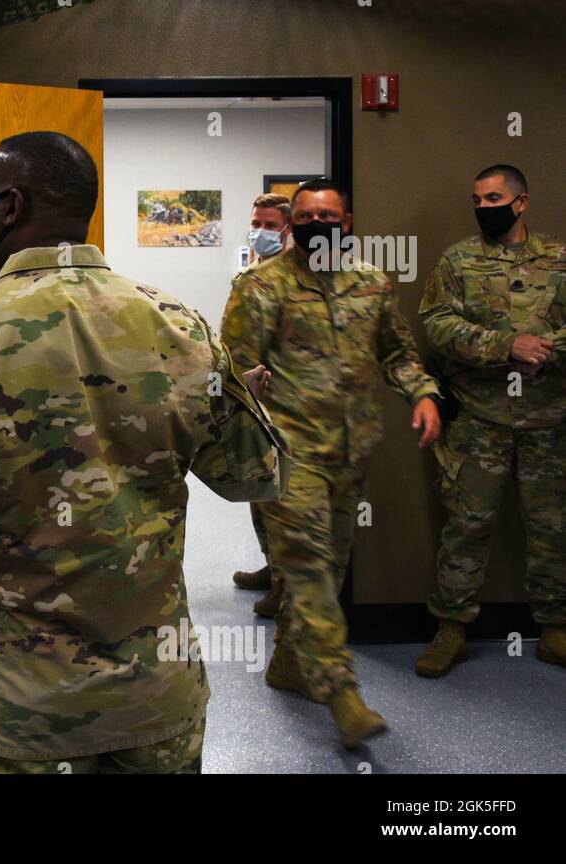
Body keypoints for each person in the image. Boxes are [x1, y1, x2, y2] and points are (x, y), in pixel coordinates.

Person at [0, 131, 287, 774]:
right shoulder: (181, 326)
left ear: (10, 207)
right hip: (154, 698)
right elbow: (255, 474)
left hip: (18, 710)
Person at [222, 178, 443, 748]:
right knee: (309, 569)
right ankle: (341, 692)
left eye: (330, 215)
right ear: (294, 223)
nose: (319, 223)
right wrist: (247, 393)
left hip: (351, 450)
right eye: (307, 216)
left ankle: (291, 664)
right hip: (289, 454)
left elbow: (396, 351)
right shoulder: (260, 286)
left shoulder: (372, 284)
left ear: (347, 222)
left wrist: (422, 394)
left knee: (331, 564)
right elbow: (232, 371)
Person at [416, 164, 566, 677]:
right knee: (467, 526)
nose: (484, 207)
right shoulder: (459, 259)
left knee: (552, 528)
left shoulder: (559, 258)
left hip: (550, 421)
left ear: (521, 203)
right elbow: (436, 323)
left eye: (494, 198)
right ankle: (452, 628)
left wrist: (546, 349)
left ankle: (556, 629)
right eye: (477, 199)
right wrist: (507, 345)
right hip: (480, 420)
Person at [231, 193, 292, 615]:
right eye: (257, 223)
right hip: (256, 400)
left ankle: (287, 587)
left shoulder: (295, 280)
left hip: (288, 402)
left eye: (271, 225)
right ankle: (272, 568)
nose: (262, 232)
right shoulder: (249, 275)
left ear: (287, 230)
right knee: (260, 491)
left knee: (283, 498)